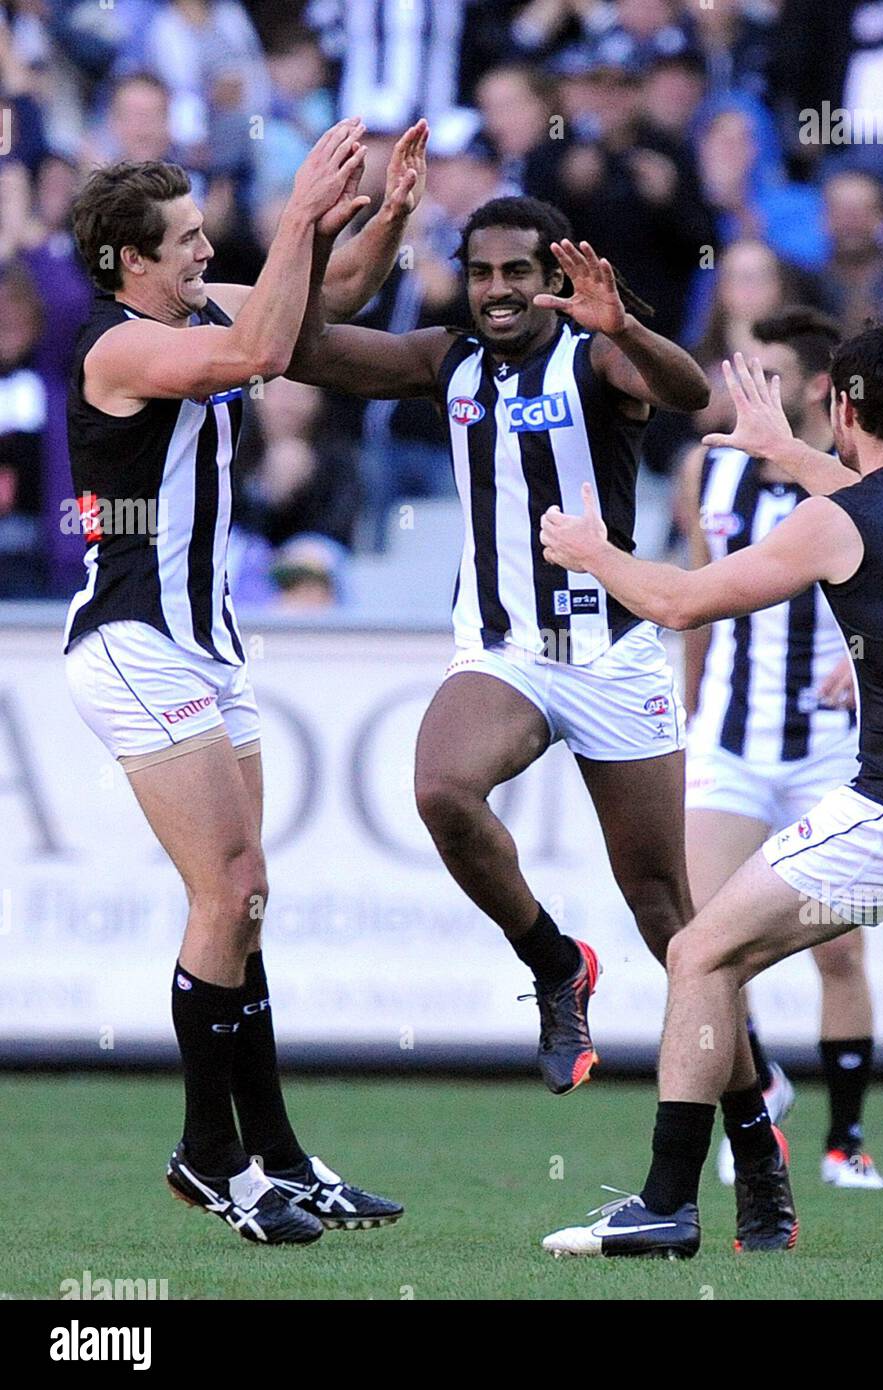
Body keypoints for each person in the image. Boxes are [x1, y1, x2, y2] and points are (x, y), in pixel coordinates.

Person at [538, 323, 883, 1265]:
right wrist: (789, 452)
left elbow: (679, 602)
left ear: (844, 405)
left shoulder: (832, 521)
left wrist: (591, 552)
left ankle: (666, 1204)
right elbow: (876, 509)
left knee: (700, 953)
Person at [62, 117, 425, 1245]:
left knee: (244, 903)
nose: (204, 254)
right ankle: (209, 1152)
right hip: (133, 640)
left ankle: (275, 1157)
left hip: (207, 645)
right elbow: (264, 351)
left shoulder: (209, 309)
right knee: (230, 888)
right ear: (129, 260)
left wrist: (388, 211)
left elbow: (322, 304)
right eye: (185, 240)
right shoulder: (120, 346)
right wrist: (299, 214)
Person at [287, 194, 710, 1095]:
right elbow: (302, 347)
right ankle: (556, 963)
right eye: (480, 273)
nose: (496, 291)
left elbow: (690, 394)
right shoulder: (450, 362)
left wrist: (625, 326)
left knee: (668, 916)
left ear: (555, 278)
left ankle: (752, 1128)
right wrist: (331, 236)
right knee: (442, 790)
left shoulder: (596, 356)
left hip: (611, 652)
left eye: (517, 271)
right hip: (505, 650)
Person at [680, 306, 883, 1193]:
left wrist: (863, 653)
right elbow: (695, 589)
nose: (740, 393)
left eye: (760, 376)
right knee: (705, 938)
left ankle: (847, 1141)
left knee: (841, 950)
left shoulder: (851, 481)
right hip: (729, 740)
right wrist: (688, 706)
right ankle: (758, 1093)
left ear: (811, 389)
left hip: (827, 751)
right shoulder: (708, 470)